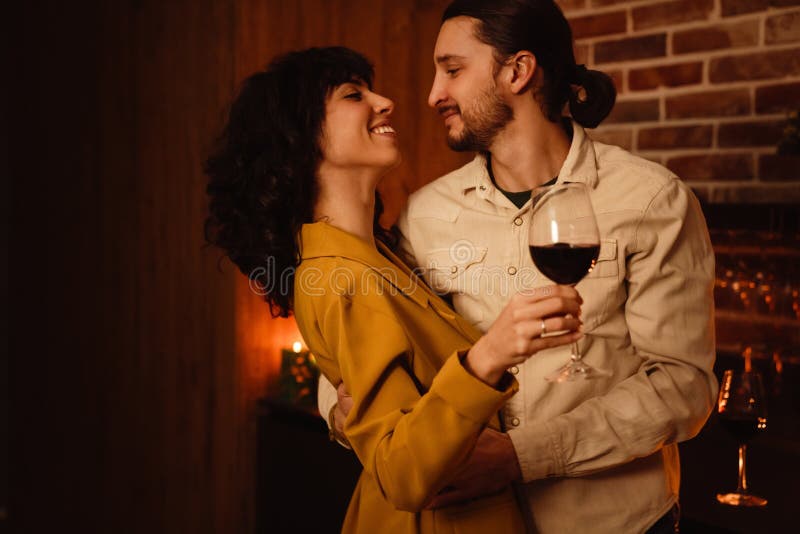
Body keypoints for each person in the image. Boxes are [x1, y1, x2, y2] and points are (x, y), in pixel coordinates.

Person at [319, 2, 719, 533]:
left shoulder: (651, 201)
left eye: (453, 70)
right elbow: (360, 350)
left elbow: (683, 386)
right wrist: (345, 413)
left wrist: (521, 455)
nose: (434, 94)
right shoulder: (427, 214)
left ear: (518, 71)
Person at [204, 46, 585, 533]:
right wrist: (490, 355)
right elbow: (402, 473)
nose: (385, 102)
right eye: (353, 94)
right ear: (301, 140)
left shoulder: (377, 257)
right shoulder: (343, 278)